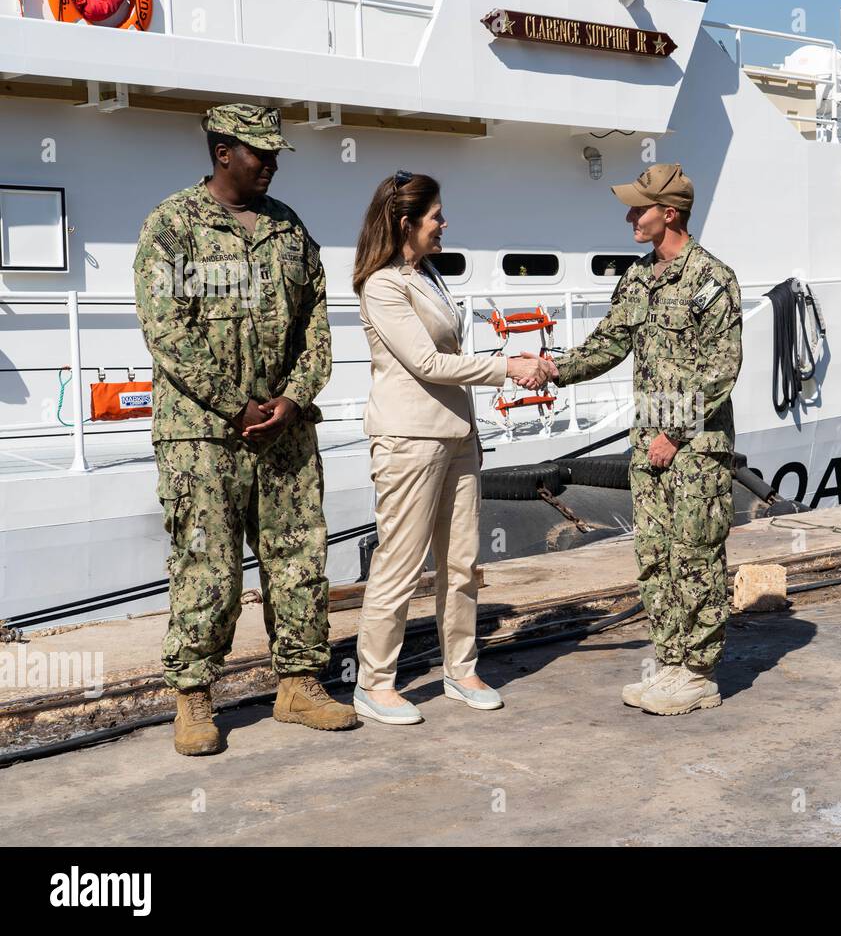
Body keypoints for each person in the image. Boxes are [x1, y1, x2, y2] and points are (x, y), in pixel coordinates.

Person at [133, 104, 356, 757]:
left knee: (298, 558)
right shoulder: (172, 227)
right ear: (223, 151)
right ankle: (195, 694)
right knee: (209, 565)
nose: (272, 163)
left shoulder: (289, 227)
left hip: (285, 432)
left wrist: (292, 396)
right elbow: (165, 331)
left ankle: (299, 682)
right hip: (202, 435)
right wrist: (234, 404)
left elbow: (316, 322)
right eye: (260, 152)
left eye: (275, 152)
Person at [351, 171, 551, 724]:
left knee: (461, 562)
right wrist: (509, 366)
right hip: (410, 439)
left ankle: (460, 670)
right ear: (405, 222)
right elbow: (427, 363)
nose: (444, 223)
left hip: (458, 435)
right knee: (400, 562)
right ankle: (374, 683)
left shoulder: (429, 273)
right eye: (436, 215)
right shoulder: (383, 284)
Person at [552, 163, 743, 715]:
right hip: (651, 441)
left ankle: (701, 673)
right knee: (655, 554)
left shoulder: (712, 280)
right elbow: (607, 343)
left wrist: (674, 431)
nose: (631, 215)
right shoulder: (639, 277)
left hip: (694, 444)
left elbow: (721, 368)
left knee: (696, 552)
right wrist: (552, 370)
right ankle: (672, 662)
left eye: (640, 207)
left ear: (670, 213)